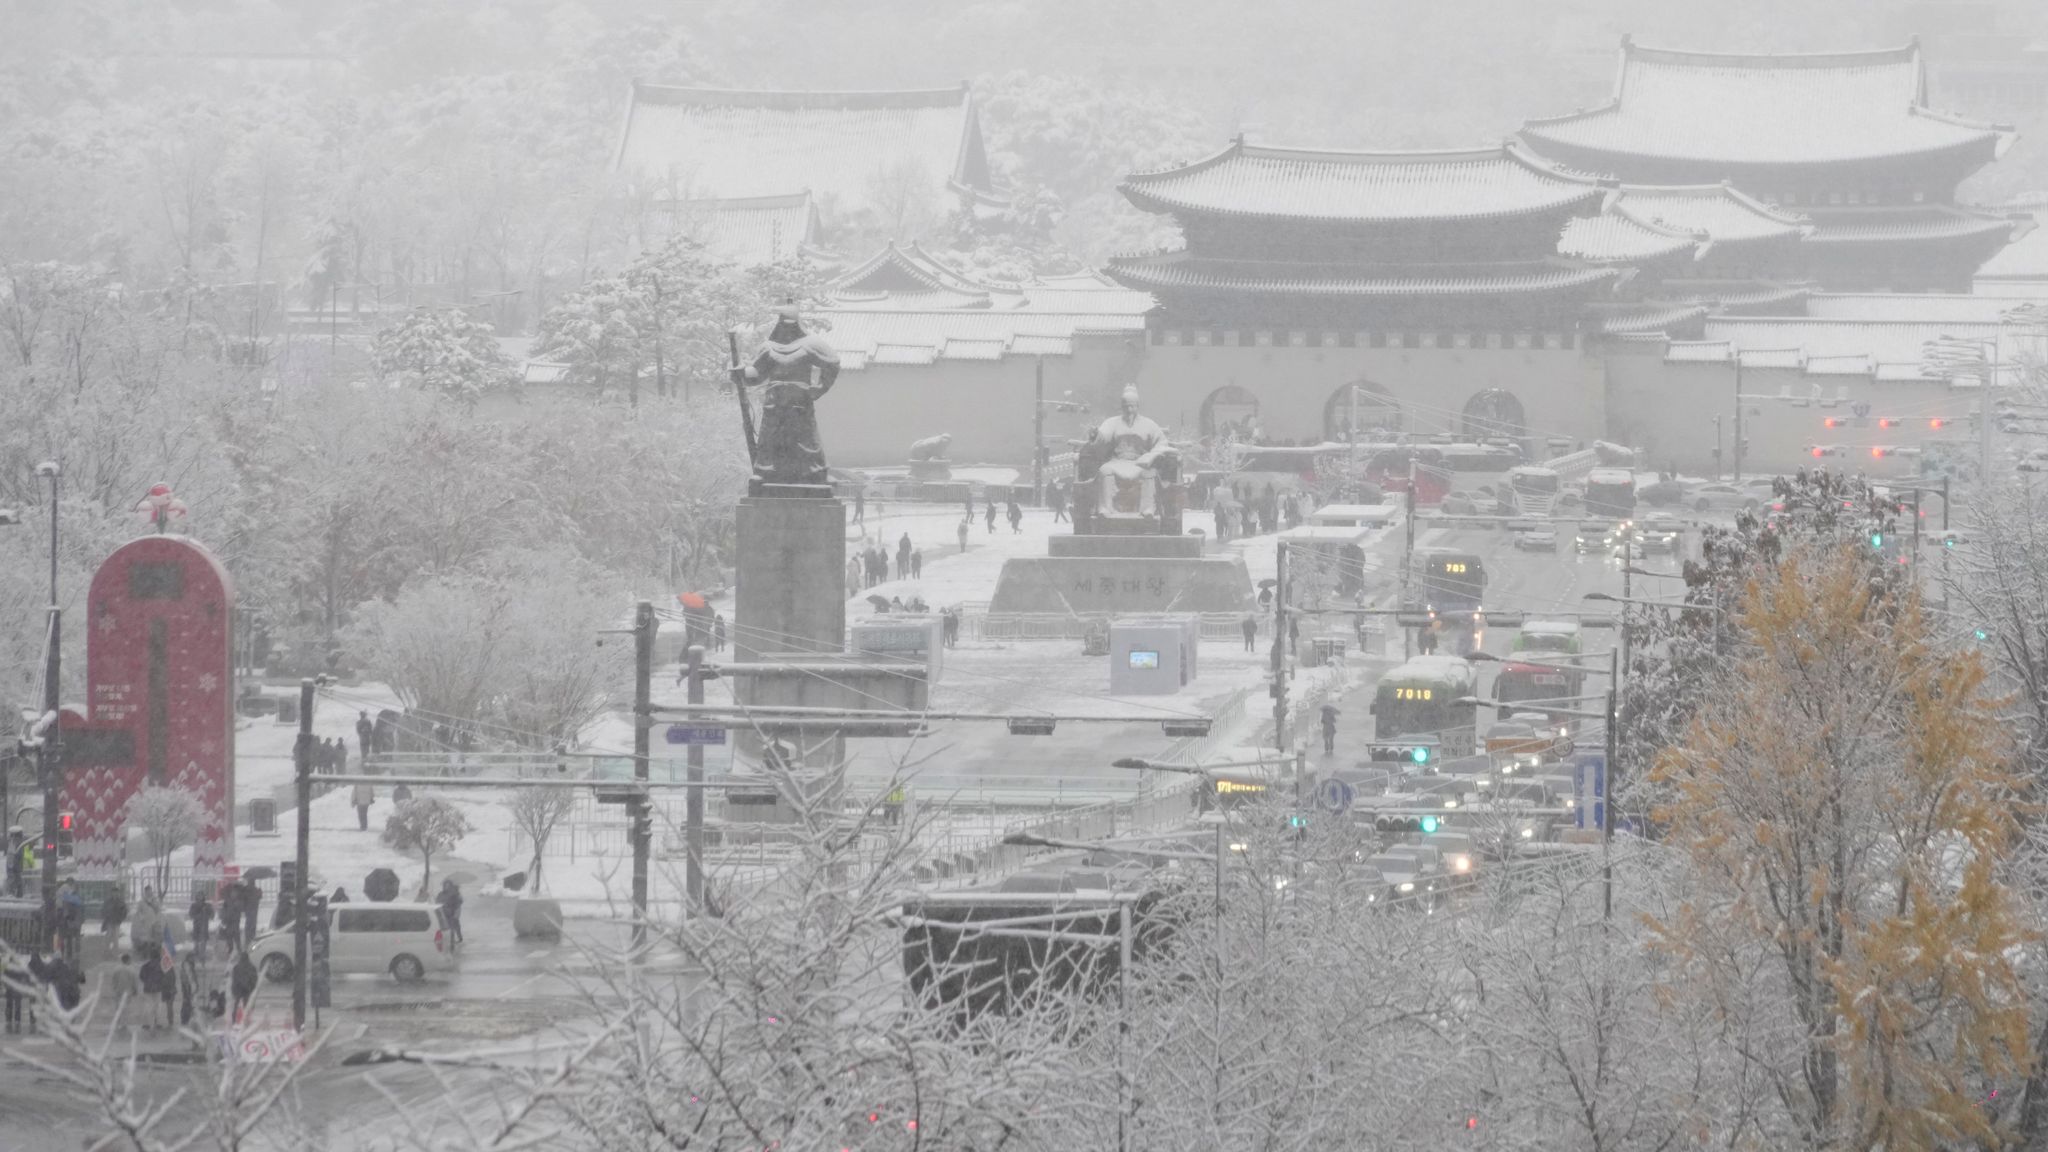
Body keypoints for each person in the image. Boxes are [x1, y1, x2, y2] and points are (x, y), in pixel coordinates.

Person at [138, 949, 166, 1029]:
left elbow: (141, 976)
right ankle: (158, 1023)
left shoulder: (145, 966)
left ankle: (147, 1023)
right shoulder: (161, 966)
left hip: (147, 988)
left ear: (150, 956)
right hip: (158, 988)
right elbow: (164, 977)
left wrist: (147, 982)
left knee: (148, 1005)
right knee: (158, 1006)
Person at [230, 950, 257, 1024]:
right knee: (247, 1005)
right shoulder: (252, 967)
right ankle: (246, 1020)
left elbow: (235, 980)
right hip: (247, 990)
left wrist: (234, 990)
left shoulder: (236, 967)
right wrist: (251, 988)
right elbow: (254, 979)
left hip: (238, 989)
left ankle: (234, 1019)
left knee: (236, 1004)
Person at [437, 880, 464, 946]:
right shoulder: (440, 894)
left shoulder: (454, 894)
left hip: (452, 915)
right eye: (445, 885)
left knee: (453, 928)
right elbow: (437, 902)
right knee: (445, 929)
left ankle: (456, 940)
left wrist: (455, 914)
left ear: (450, 886)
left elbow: (458, 904)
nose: (446, 887)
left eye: (448, 885)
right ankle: (448, 941)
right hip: (443, 914)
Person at [188, 891, 213, 956]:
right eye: (199, 895)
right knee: (196, 940)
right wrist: (197, 916)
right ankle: (196, 952)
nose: (200, 897)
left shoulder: (207, 905)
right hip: (196, 925)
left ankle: (202, 954)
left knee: (203, 940)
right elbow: (191, 915)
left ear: (204, 897)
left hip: (204, 925)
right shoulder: (193, 905)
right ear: (196, 896)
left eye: (201, 895)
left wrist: (206, 914)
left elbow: (212, 915)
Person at [239, 878, 261, 950]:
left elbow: (243, 898)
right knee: (252, 925)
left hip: (249, 910)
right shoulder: (256, 890)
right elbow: (259, 897)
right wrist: (260, 892)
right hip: (253, 910)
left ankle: (248, 941)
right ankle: (251, 940)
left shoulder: (246, 889)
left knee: (249, 925)